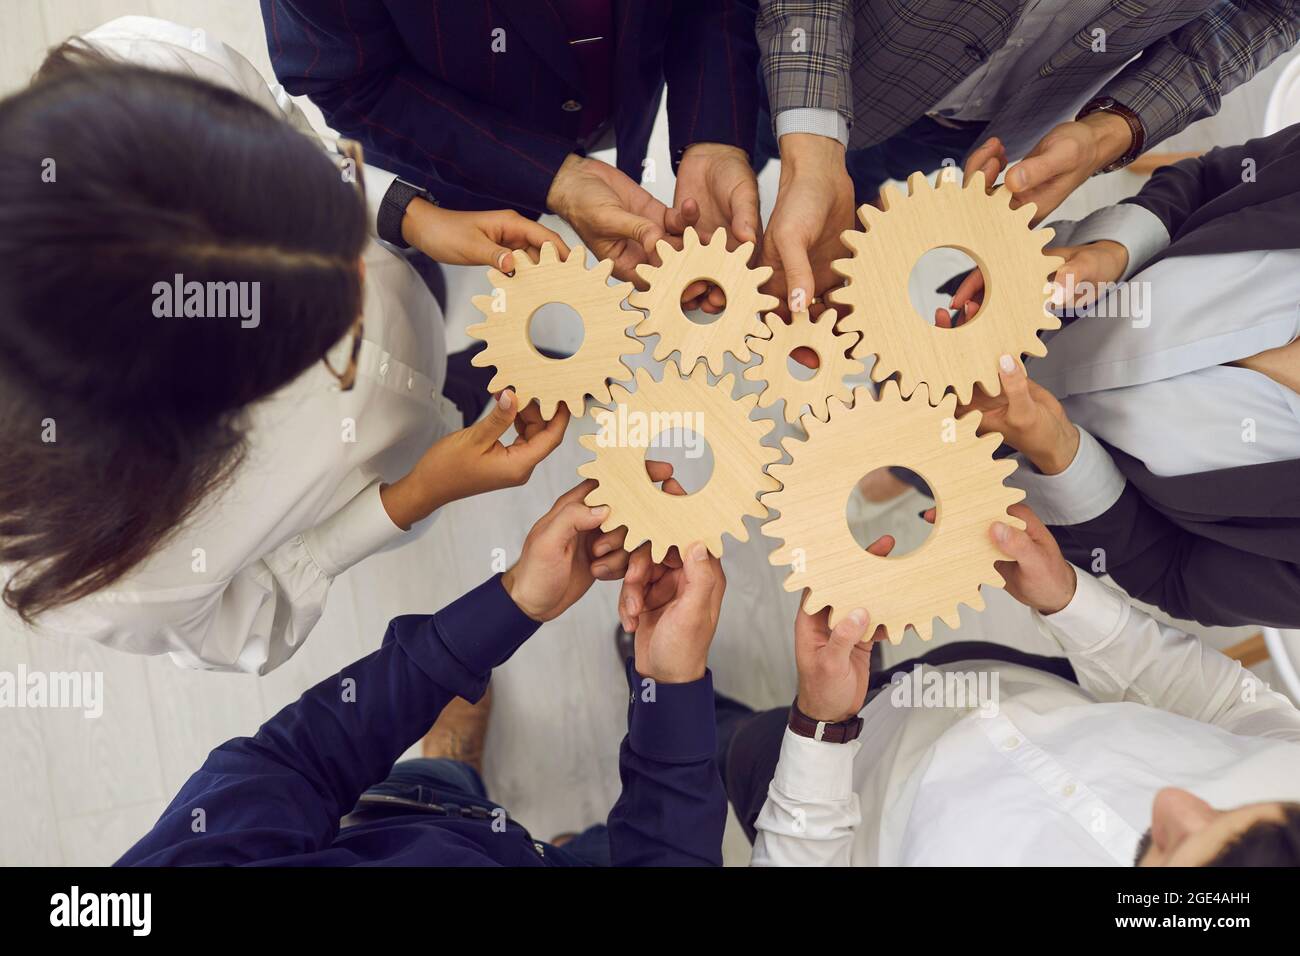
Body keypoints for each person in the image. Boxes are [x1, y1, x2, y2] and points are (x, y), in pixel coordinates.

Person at [0, 18, 586, 673]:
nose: (357, 273)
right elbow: (251, 618)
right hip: (382, 473)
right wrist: (416, 493)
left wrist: (407, 218)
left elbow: (293, 132)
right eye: (320, 346)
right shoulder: (112, 581)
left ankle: (467, 376)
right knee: (457, 396)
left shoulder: (137, 70)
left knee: (432, 329)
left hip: (411, 311)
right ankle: (465, 388)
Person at [116, 479, 730, 867]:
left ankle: (456, 766)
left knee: (440, 778)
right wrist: (667, 683)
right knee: (597, 849)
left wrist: (510, 604)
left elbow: (292, 765)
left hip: (403, 808)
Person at [709, 505, 1300, 866]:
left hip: (844, 780)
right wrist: (1066, 599)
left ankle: (690, 714)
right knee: (874, 632)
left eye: (1166, 850)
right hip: (996, 679)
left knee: (729, 742)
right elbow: (1224, 707)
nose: (1171, 800)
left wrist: (820, 726)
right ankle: (866, 623)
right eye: (1232, 805)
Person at [949, 125, 1300, 627]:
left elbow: (1173, 573)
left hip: (991, 475)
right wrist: (1113, 251)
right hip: (986, 285)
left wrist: (1060, 455)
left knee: (876, 462)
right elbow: (1211, 181)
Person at [754, 0, 1300, 310]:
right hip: (832, 61)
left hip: (1002, 120)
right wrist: (811, 138)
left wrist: (1113, 129)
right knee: (763, 156)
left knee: (870, 186)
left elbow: (1271, 10)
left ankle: (851, 204)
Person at [260, 0, 766, 301]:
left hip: (622, 98)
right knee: (424, 260)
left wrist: (713, 131)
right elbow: (349, 80)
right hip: (448, 148)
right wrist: (548, 174)